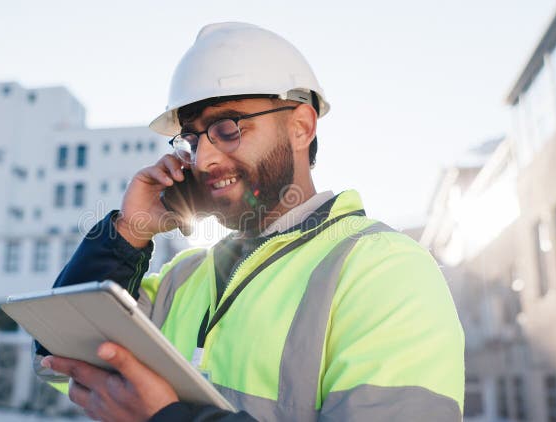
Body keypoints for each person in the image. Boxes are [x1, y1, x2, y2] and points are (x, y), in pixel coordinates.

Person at [34, 22, 464, 421]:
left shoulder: (383, 269)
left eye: (227, 127)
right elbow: (57, 354)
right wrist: (129, 232)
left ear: (301, 127)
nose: (204, 158)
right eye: (192, 137)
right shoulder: (181, 280)